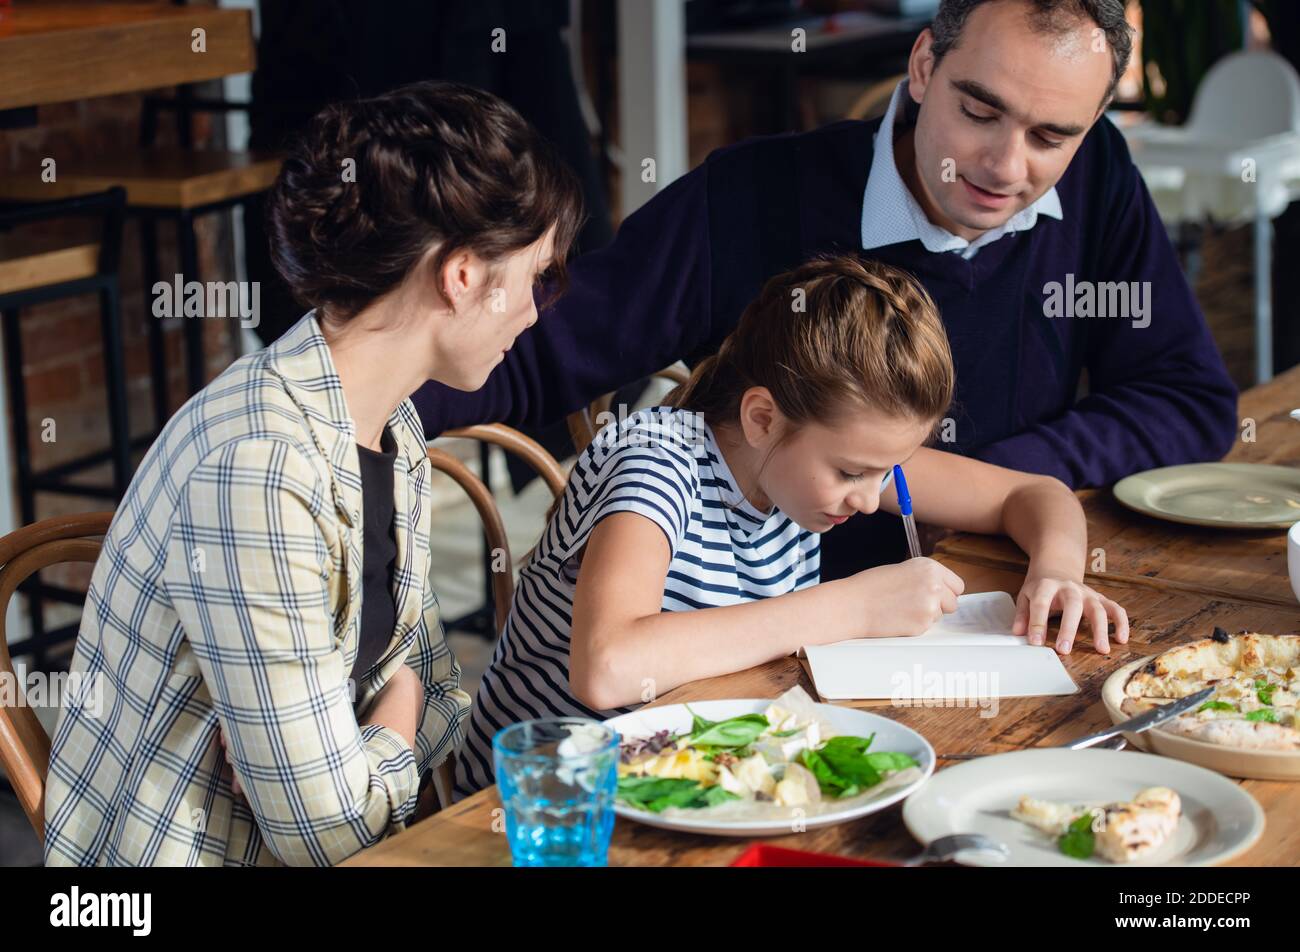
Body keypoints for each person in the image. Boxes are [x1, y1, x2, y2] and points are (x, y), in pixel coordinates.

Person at [411, 0, 1239, 584]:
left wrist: (991, 486)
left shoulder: (1097, 181)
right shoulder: (752, 196)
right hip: (768, 640)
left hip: (999, 598)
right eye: (979, 111)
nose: (1005, 166)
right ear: (924, 66)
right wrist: (348, 403)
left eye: (1052, 135)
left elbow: (1188, 399)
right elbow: (537, 353)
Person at [43, 81, 584, 865]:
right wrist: (390, 726)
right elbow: (326, 833)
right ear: (463, 275)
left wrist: (366, 741)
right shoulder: (259, 471)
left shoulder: (387, 422)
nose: (537, 312)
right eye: (536, 277)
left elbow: (441, 694)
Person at [454, 256, 1129, 796]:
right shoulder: (655, 464)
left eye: (887, 470)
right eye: (852, 473)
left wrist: (1058, 574)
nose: (871, 498)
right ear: (762, 418)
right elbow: (607, 669)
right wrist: (851, 606)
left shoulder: (827, 455)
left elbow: (1036, 494)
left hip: (689, 778)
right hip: (543, 809)